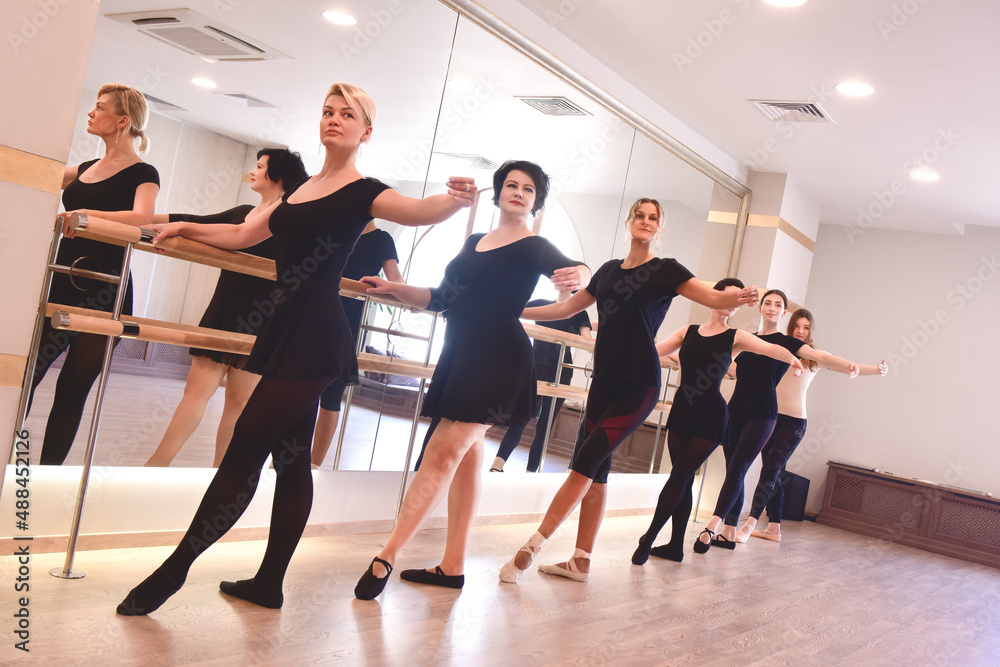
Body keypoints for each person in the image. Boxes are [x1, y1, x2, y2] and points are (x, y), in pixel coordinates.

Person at [116, 83, 477, 615]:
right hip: (284, 325)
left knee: (245, 445)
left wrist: (459, 199)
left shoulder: (365, 190)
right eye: (328, 111)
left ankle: (174, 570)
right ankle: (268, 584)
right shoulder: (300, 190)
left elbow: (420, 210)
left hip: (316, 332)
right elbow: (241, 236)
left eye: (347, 114)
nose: (334, 119)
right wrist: (181, 227)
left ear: (366, 132)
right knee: (290, 461)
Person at [353, 160, 591, 600]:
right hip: (460, 357)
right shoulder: (475, 242)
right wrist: (396, 290)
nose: (518, 192)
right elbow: (442, 298)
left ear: (537, 200)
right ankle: (452, 567)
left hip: (499, 361)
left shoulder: (536, 245)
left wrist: (581, 275)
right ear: (498, 192)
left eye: (529, 188)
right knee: (464, 459)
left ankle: (387, 554)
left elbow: (578, 269)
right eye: (511, 185)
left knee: (441, 454)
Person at [497, 198, 760, 585]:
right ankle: (581, 561)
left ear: (660, 228)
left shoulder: (666, 271)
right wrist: (513, 310)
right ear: (629, 222)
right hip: (602, 383)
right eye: (640, 215)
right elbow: (566, 309)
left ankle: (531, 546)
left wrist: (740, 297)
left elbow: (713, 297)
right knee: (597, 472)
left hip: (640, 385)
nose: (646, 222)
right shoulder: (605, 272)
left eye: (654, 218)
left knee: (584, 463)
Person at [144, 148, 308, 467]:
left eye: (260, 167)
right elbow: (195, 220)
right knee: (195, 394)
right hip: (223, 312)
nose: (253, 171)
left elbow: (237, 238)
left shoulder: (289, 219)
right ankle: (157, 464)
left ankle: (221, 475)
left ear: (278, 177)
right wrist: (144, 221)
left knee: (239, 403)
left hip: (263, 321)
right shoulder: (244, 211)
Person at [28, 83, 159, 465]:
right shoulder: (84, 169)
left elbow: (143, 218)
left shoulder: (143, 172)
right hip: (61, 281)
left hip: (105, 291)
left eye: (99, 108)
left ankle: (40, 491)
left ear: (122, 121)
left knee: (71, 392)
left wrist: (85, 218)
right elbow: (38, 176)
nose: (90, 113)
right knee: (26, 379)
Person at [629, 279, 803, 565]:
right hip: (682, 409)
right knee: (682, 479)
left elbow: (770, 349)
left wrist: (792, 360)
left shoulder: (736, 337)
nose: (731, 304)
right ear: (713, 298)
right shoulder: (688, 331)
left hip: (710, 414)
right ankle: (674, 546)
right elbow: (653, 350)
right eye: (727, 297)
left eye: (736, 301)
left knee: (679, 476)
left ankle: (647, 538)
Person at [696, 289, 864, 552]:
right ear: (760, 307)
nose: (772, 308)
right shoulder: (746, 339)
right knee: (733, 471)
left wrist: (851, 364)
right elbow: (724, 363)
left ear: (783, 312)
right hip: (736, 410)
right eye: (767, 303)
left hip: (765, 414)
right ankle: (729, 531)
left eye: (778, 305)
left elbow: (823, 358)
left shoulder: (788, 344)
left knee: (742, 467)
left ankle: (714, 525)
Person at [739, 308, 887, 542]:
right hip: (770, 418)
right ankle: (774, 528)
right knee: (775, 472)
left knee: (770, 470)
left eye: (806, 327)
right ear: (790, 326)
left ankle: (749, 524)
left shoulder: (814, 357)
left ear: (810, 331)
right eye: (797, 326)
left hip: (794, 423)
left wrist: (877, 370)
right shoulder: (777, 349)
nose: (800, 331)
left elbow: (845, 365)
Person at [311, 220, 403, 469]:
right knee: (301, 390)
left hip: (347, 323)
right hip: (313, 314)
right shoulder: (336, 230)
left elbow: (395, 279)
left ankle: (314, 466)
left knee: (331, 395)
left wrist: (413, 298)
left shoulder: (382, 239)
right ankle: (285, 461)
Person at [490, 290, 592, 473]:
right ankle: (497, 464)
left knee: (546, 423)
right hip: (534, 366)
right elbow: (510, 310)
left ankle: (531, 471)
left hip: (561, 371)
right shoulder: (541, 304)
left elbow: (587, 342)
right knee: (520, 417)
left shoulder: (579, 312)